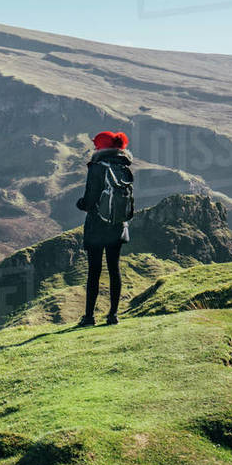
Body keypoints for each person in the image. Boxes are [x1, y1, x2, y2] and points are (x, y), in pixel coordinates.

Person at [75, 130, 133, 326]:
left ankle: (89, 317)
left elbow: (90, 200)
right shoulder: (124, 165)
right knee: (114, 268)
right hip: (117, 225)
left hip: (97, 227)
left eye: (96, 144)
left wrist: (81, 204)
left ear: (101, 146)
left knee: (94, 271)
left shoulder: (97, 166)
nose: (94, 147)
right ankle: (113, 315)